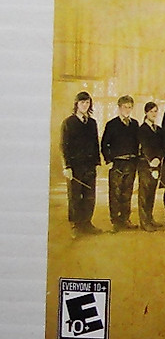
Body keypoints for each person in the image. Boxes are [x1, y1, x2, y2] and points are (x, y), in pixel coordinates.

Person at [61, 91, 101, 233]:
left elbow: (95, 144)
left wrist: (97, 162)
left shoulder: (92, 123)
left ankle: (87, 223)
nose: (85, 105)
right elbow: (64, 145)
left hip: (89, 166)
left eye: (87, 102)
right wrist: (67, 166)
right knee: (75, 196)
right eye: (82, 102)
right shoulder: (68, 122)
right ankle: (75, 225)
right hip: (74, 167)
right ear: (76, 104)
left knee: (90, 196)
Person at [100, 94, 140, 229]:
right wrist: (109, 160)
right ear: (119, 107)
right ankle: (116, 221)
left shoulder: (135, 124)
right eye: (125, 107)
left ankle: (125, 219)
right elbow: (104, 144)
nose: (127, 110)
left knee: (127, 192)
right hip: (117, 164)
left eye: (130, 107)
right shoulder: (112, 124)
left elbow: (138, 143)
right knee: (115, 193)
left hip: (131, 163)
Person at [137, 101, 163, 228]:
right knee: (144, 194)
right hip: (145, 165)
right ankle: (144, 222)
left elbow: (161, 147)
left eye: (155, 111)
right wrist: (152, 161)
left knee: (152, 192)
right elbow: (145, 147)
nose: (153, 114)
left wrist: (158, 159)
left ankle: (150, 218)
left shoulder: (158, 129)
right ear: (146, 113)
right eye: (151, 111)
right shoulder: (142, 129)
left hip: (156, 164)